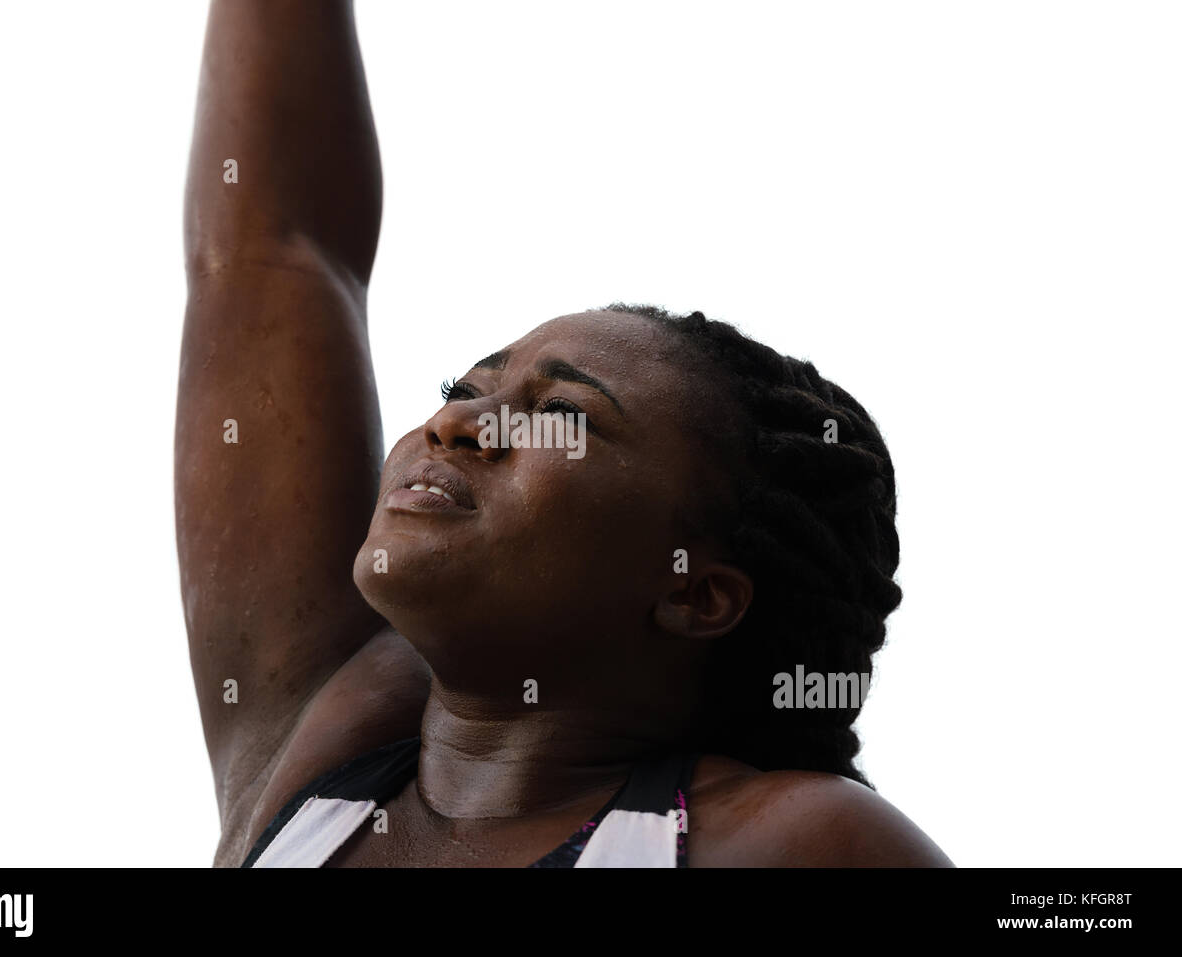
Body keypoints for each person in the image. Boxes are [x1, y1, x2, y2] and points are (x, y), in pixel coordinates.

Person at [174, 0, 952, 868]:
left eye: (560, 416)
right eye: (460, 387)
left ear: (695, 592)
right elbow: (275, 250)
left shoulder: (799, 842)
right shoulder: (321, 749)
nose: (458, 423)